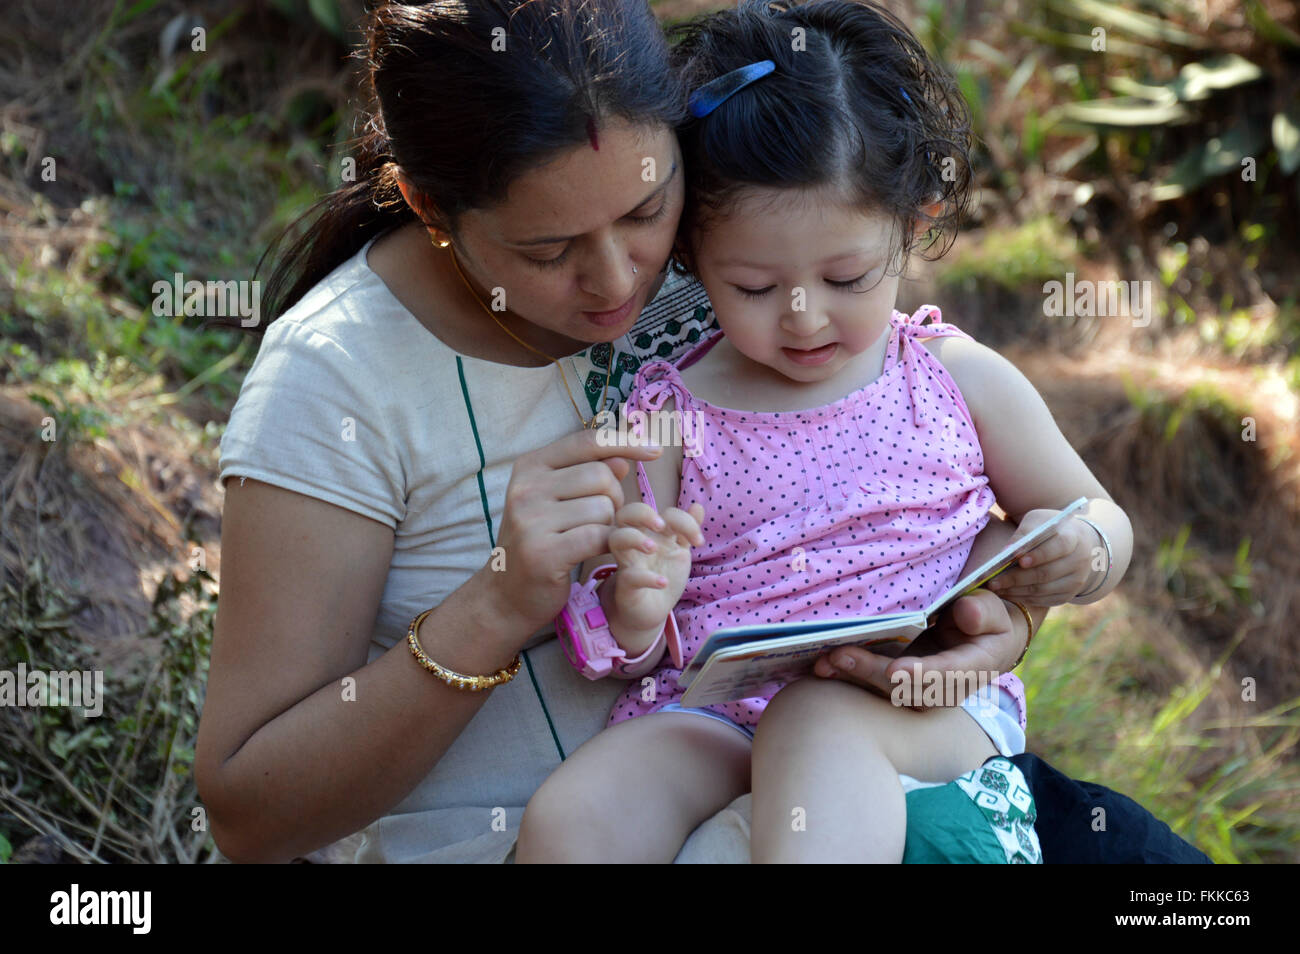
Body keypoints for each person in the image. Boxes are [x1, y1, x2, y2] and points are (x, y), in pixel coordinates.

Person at [194, 0, 1082, 865]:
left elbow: (910, 474)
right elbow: (250, 817)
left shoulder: (738, 250)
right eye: (548, 251)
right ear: (431, 207)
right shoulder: (335, 381)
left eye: (646, 212)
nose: (619, 280)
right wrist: (497, 607)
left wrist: (997, 621)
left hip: (875, 772)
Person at [514, 0, 1134, 863]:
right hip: (720, 712)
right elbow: (624, 628)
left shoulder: (954, 378)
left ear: (912, 226)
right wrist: (638, 607)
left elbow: (1096, 514)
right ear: (693, 261)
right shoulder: (668, 414)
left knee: (816, 722)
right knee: (578, 816)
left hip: (920, 703)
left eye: (845, 276)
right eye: (756, 289)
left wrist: (1086, 552)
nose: (804, 319)